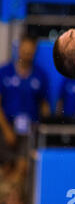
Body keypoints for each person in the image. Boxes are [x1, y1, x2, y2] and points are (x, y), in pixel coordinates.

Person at [0, 34, 51, 171]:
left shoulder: (40, 76)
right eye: (24, 51)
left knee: (23, 168)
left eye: (30, 52)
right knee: (6, 169)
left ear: (34, 52)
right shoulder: (4, 72)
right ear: (19, 49)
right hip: (6, 127)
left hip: (29, 129)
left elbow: (44, 104)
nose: (27, 54)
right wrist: (6, 130)